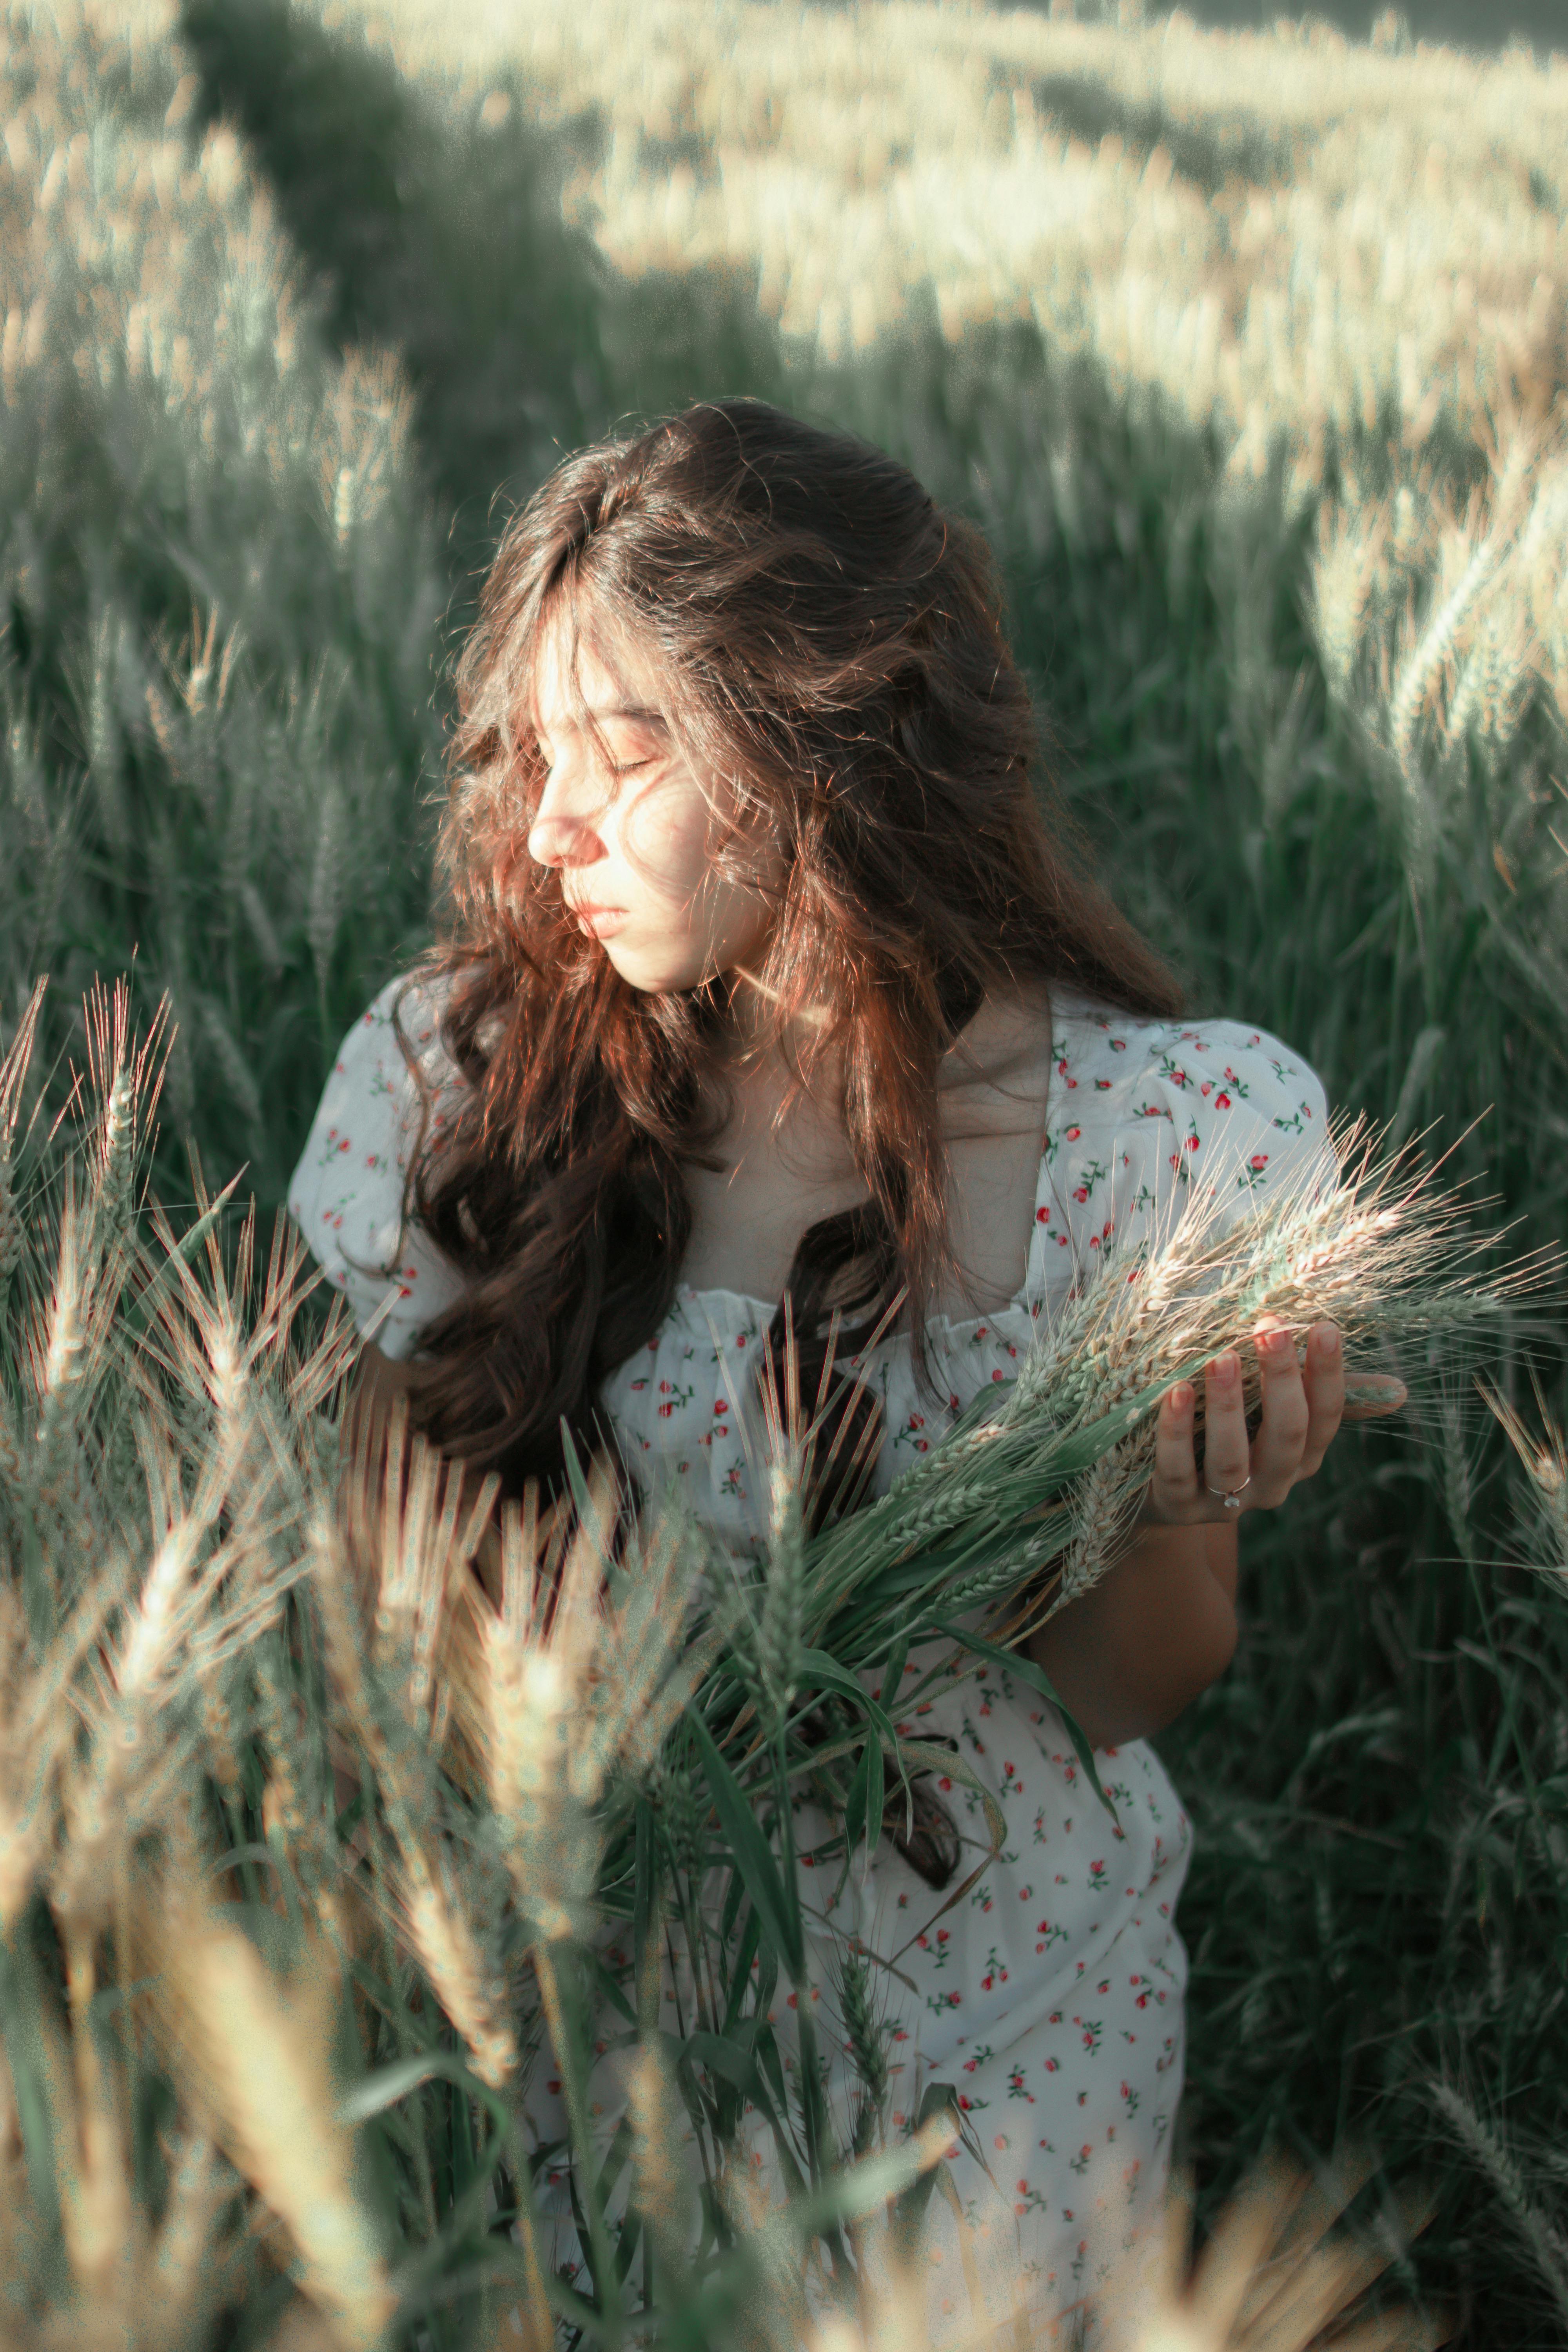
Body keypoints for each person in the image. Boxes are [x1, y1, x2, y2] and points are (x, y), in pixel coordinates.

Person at [287, 397, 1402, 2337]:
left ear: (818, 732)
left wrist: (1145, 1504)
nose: (542, 829)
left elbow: (1138, 1688)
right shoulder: (461, 1083)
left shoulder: (1162, 1136)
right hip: (579, 2047)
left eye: (613, 755)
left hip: (995, 2068)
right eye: (529, 755)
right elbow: (375, 1615)